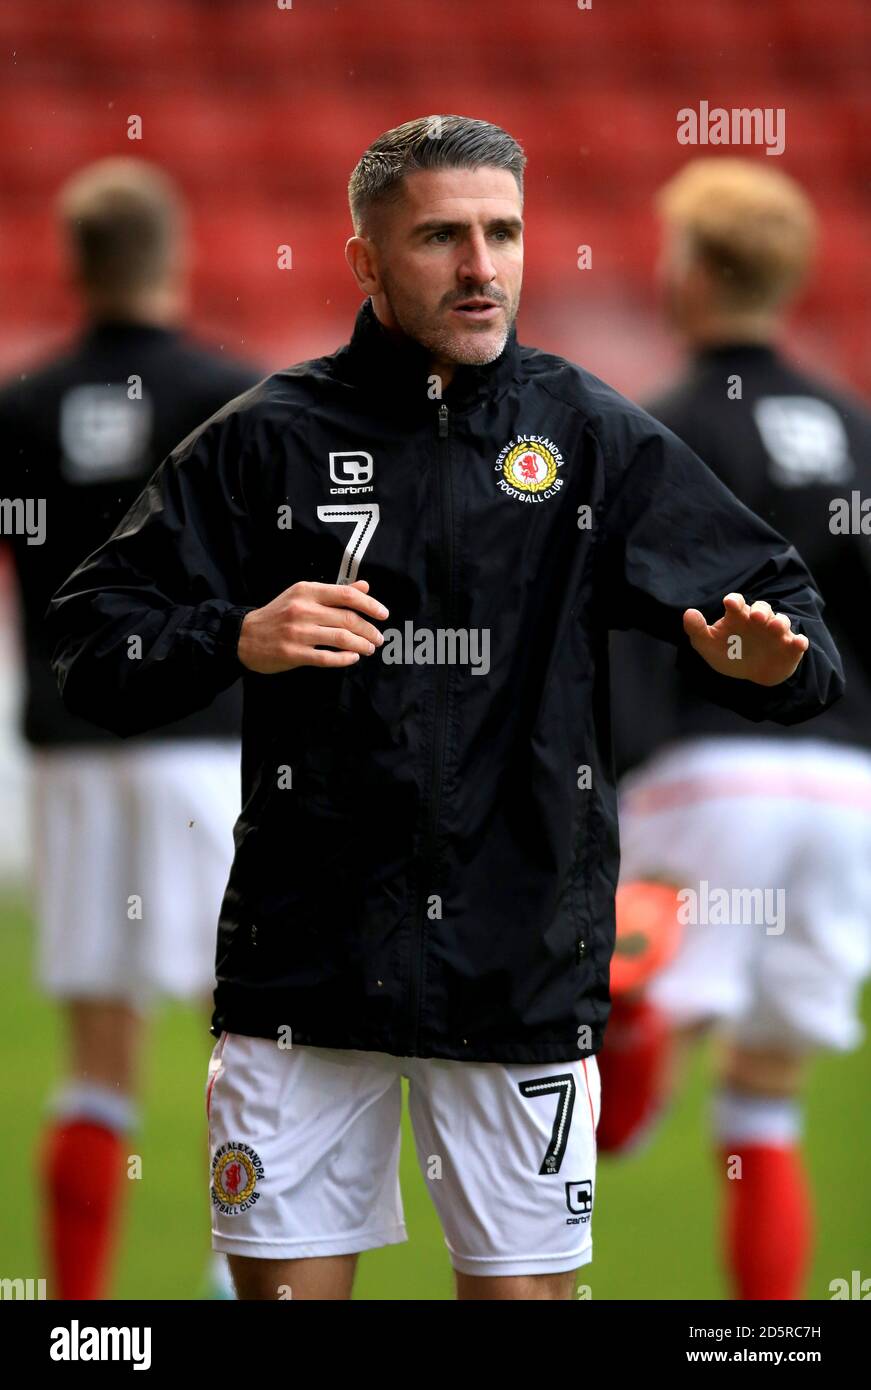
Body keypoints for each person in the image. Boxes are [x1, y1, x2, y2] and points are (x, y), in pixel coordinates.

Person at [48, 118, 843, 1303]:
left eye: (503, 233)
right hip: (302, 976)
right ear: (365, 260)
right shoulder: (268, 438)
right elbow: (87, 638)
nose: (481, 267)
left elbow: (792, 622)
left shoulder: (586, 436)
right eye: (441, 238)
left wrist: (765, 662)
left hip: (517, 976)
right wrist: (233, 634)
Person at [603, 159, 871, 1299]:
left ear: (697, 271)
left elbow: (619, 617)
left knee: (602, 1093)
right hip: (846, 788)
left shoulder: (658, 426)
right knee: (765, 1101)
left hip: (704, 771)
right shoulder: (855, 427)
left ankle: (636, 1024)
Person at [0, 157, 260, 1298]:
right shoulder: (236, 396)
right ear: (177, 254)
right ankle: (231, 1286)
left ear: (74, 264)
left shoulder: (21, 405)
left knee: (96, 1058)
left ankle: (77, 1322)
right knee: (244, 1046)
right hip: (207, 741)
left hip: (73, 750)